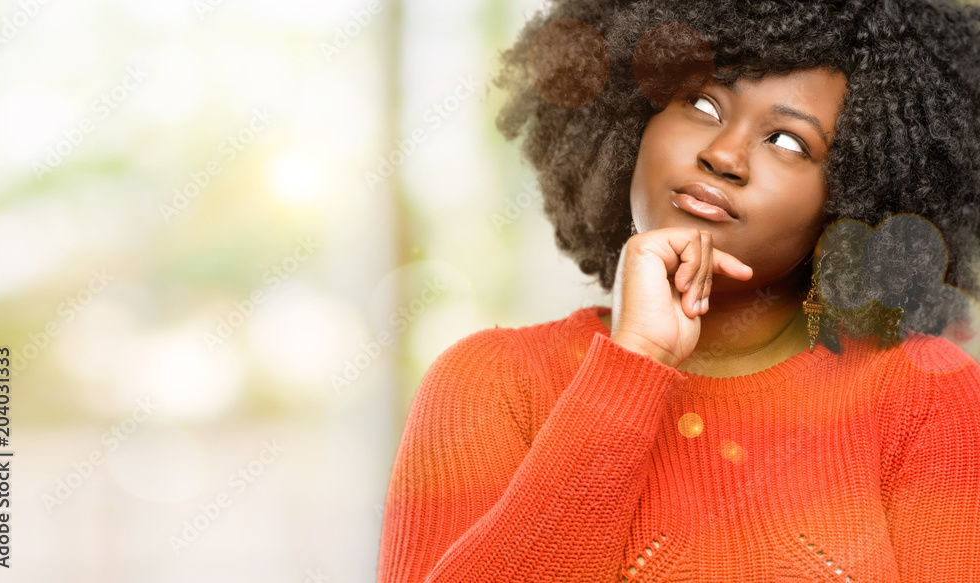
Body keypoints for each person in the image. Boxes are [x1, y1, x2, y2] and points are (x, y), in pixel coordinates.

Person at [376, 0, 980, 581]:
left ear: (858, 196)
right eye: (702, 103)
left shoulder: (925, 398)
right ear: (630, 120)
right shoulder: (491, 383)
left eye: (789, 142)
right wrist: (631, 367)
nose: (722, 155)